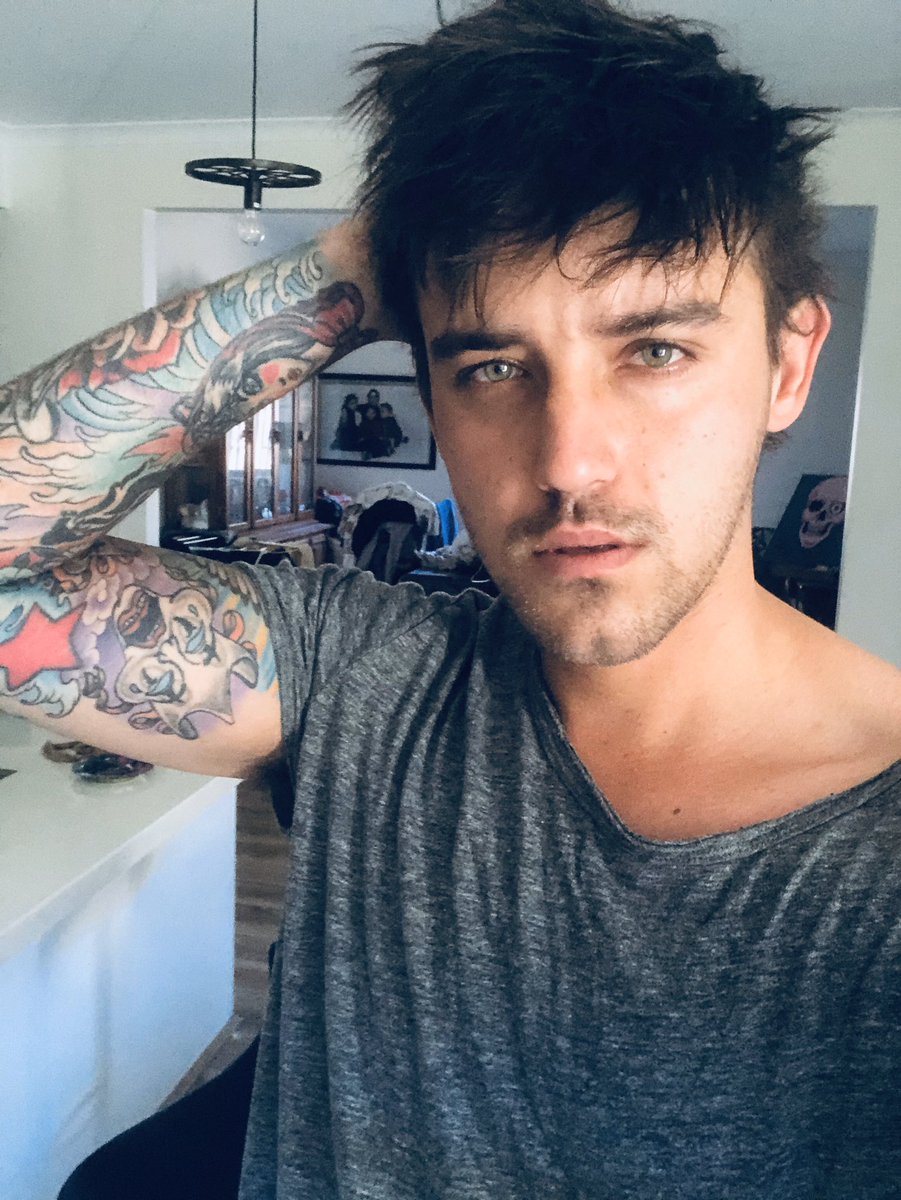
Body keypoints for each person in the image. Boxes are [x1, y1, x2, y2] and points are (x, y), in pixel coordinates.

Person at [1, 1, 899, 1196]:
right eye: (491, 365)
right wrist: (361, 265)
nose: (569, 461)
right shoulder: (367, 679)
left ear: (788, 366)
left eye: (654, 351)